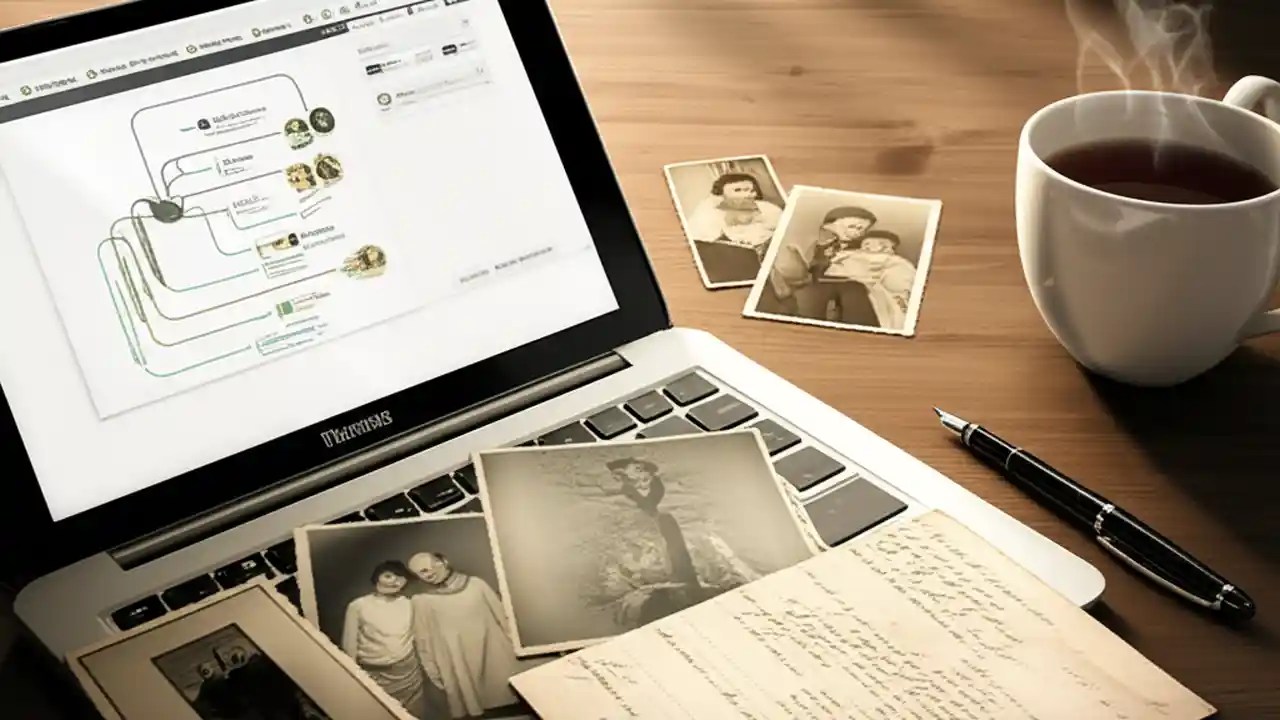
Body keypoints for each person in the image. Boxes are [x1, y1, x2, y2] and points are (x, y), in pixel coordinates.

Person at [586, 458, 759, 628]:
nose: (639, 485)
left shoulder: (692, 528)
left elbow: (738, 577)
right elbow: (604, 603)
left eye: (644, 477)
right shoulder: (612, 541)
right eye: (625, 480)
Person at [407, 552, 524, 719]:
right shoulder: (421, 601)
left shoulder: (477, 585)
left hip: (496, 656)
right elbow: (422, 639)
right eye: (419, 573)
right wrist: (432, 670)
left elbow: (503, 618)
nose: (426, 575)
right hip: (458, 665)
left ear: (442, 562)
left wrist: (519, 649)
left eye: (426, 568)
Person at [341, 561, 429, 719]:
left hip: (408, 673)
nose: (394, 581)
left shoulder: (410, 605)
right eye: (388, 576)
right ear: (377, 578)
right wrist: (353, 676)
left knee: (414, 713)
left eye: (400, 578)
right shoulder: (358, 606)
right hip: (374, 674)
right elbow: (349, 645)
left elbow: (421, 637)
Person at [766, 206, 879, 323]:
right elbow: (793, 267)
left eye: (862, 230)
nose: (858, 233)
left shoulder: (837, 244)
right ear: (831, 223)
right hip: (801, 284)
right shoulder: (812, 238)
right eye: (853, 227)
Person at [684, 172, 782, 284]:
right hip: (727, 261)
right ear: (721, 194)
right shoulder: (710, 211)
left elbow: (780, 230)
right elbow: (699, 238)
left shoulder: (768, 208)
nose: (747, 195)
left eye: (751, 190)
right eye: (737, 190)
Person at [824, 229, 917, 329]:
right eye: (866, 243)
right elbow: (833, 275)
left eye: (882, 244)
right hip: (840, 290)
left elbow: (900, 285)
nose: (870, 246)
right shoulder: (846, 257)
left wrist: (871, 282)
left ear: (889, 247)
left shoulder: (896, 262)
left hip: (874, 297)